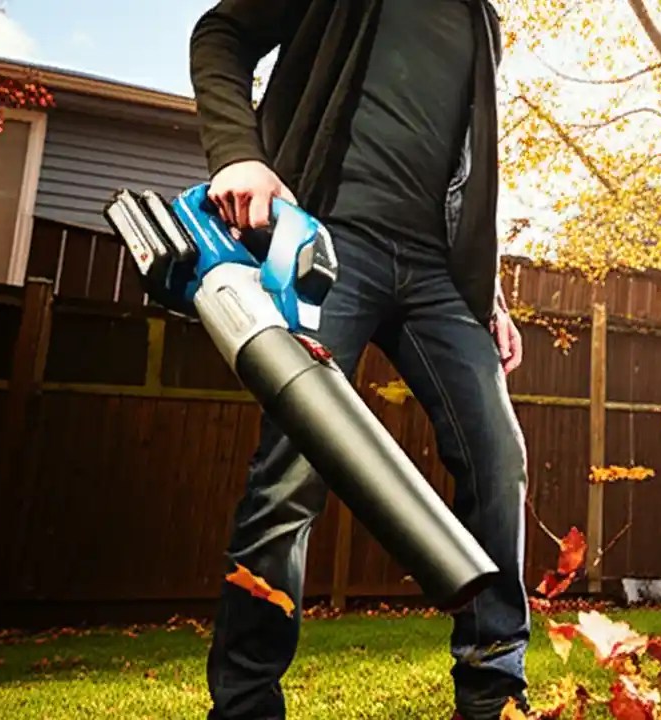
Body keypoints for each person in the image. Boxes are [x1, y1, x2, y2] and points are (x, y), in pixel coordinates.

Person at [185, 1, 531, 718]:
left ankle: (493, 693)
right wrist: (238, 155)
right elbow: (220, 33)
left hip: (439, 275)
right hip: (328, 241)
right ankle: (246, 702)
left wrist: (488, 290)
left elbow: (470, 167)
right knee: (292, 472)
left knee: (498, 460)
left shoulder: (481, 18)